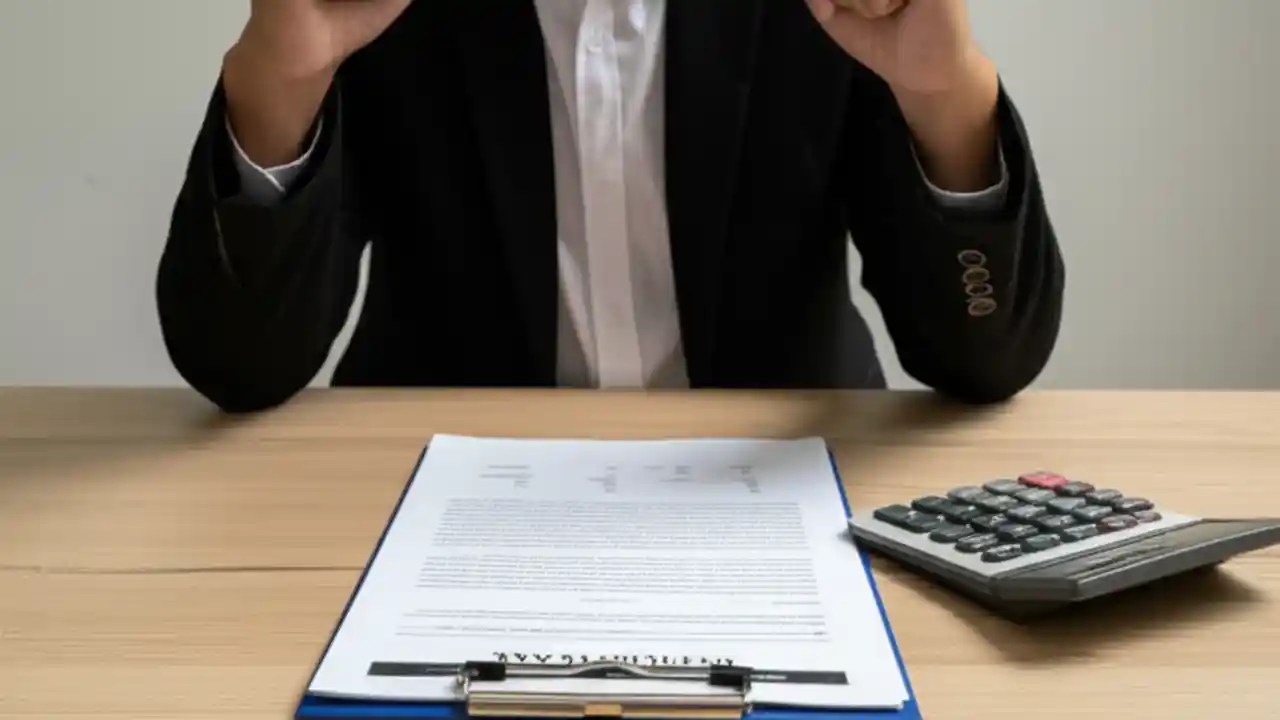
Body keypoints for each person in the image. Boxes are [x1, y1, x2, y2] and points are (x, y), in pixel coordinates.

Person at [156, 0, 1064, 413]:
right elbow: (238, 368)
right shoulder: (386, 10)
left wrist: (946, 94)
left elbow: (986, 359)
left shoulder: (832, 7)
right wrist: (279, 76)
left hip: (779, 492)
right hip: (430, 496)